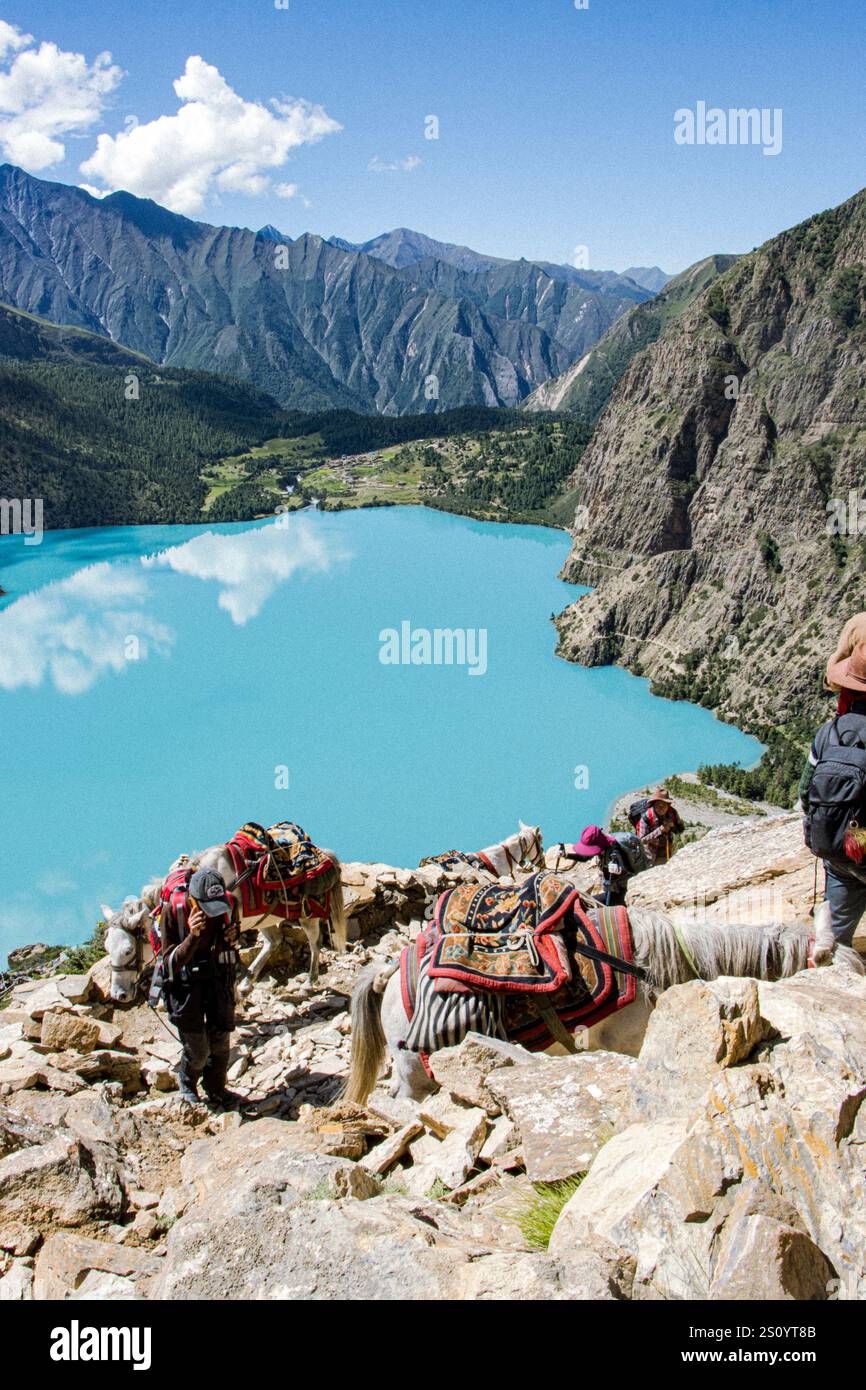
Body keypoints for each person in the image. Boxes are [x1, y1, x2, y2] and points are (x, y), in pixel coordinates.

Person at [800, 640, 866, 948]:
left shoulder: (829, 733)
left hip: (838, 850)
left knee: (834, 943)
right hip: (862, 844)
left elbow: (805, 792)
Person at [159, 866, 241, 1108]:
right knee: (198, 1048)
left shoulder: (229, 904)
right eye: (207, 907)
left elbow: (238, 939)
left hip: (218, 978)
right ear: (194, 899)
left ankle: (216, 1088)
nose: (212, 913)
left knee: (221, 1041)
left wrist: (233, 937)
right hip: (185, 984)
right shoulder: (173, 911)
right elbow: (168, 962)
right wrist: (193, 937)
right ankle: (187, 1085)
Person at [558, 824, 645, 906]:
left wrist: (618, 869)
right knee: (592, 902)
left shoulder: (615, 851)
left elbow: (626, 868)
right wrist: (566, 855)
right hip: (613, 887)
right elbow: (585, 857)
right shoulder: (603, 845)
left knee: (594, 904)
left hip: (625, 888)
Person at [633, 786, 684, 865]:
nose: (661, 808)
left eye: (664, 805)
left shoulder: (672, 813)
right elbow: (642, 840)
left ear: (668, 805)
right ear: (653, 805)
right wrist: (660, 830)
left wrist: (673, 826)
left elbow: (680, 829)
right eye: (658, 805)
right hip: (650, 852)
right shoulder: (646, 817)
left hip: (667, 847)